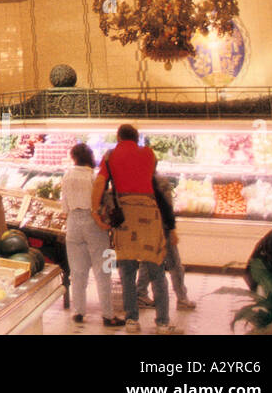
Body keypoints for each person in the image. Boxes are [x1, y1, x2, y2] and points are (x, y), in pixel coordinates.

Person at [93, 124, 181, 334]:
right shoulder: (149, 154)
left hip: (125, 219)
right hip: (150, 217)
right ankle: (162, 322)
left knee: (127, 273)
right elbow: (156, 190)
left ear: (118, 138)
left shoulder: (110, 156)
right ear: (137, 138)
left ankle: (132, 320)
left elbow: (99, 184)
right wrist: (171, 226)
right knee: (157, 273)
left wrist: (96, 213)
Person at [61, 142, 122, 327]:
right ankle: (108, 315)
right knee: (104, 269)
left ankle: (79, 312)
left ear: (74, 157)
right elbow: (101, 203)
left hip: (72, 222)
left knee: (77, 272)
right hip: (94, 222)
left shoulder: (67, 175)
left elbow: (64, 205)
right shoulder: (94, 177)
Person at [136, 174, 194, 311]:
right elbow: (167, 209)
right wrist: (171, 229)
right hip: (163, 228)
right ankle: (182, 298)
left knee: (147, 260)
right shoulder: (159, 183)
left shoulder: (140, 181)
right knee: (174, 264)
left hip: (147, 227)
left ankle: (140, 293)